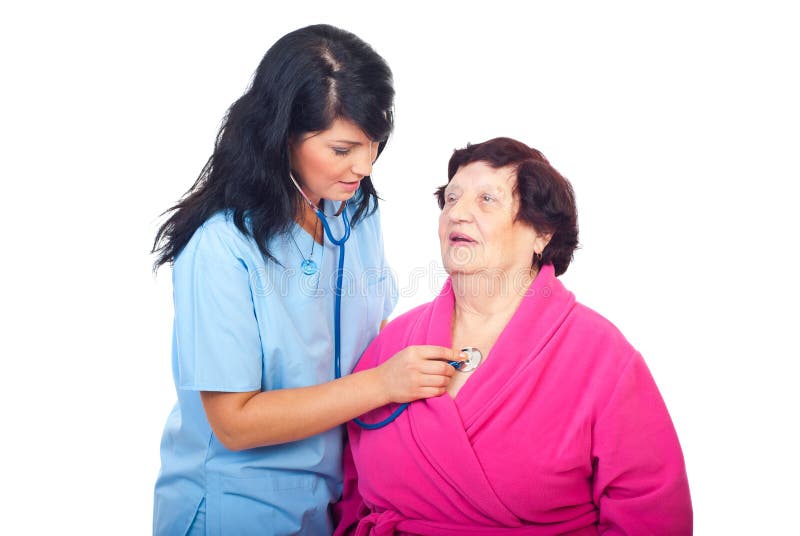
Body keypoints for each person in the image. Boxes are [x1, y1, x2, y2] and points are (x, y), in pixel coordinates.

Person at [151, 25, 456, 536]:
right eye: (342, 150)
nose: (365, 165)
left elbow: (372, 331)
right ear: (283, 136)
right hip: (237, 505)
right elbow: (235, 421)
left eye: (374, 143)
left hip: (333, 499)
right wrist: (383, 384)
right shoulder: (220, 248)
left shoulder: (353, 211)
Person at [335, 137, 693, 535]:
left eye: (486, 200)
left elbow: (651, 512)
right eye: (451, 199)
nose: (458, 213)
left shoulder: (603, 357)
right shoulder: (393, 344)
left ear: (541, 234)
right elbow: (349, 491)